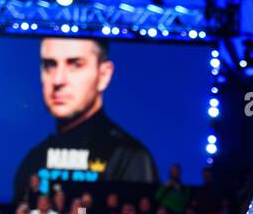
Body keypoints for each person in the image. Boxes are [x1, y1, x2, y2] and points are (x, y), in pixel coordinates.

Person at [12, 37, 158, 201]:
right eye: (50, 65)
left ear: (103, 75)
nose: (58, 80)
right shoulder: (34, 160)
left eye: (75, 64)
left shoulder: (130, 157)